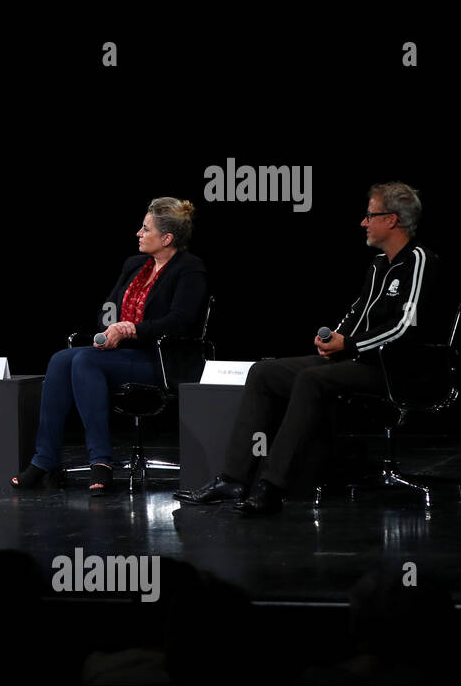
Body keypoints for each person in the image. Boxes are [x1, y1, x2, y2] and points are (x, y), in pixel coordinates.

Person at [177, 182, 444, 515]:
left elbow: (405, 328)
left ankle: (272, 486)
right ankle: (232, 478)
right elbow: (357, 312)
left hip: (398, 370)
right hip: (362, 361)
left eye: (370, 215)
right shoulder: (378, 265)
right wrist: (335, 337)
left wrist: (349, 344)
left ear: (391, 220)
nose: (363, 222)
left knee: (311, 380)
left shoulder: (420, 261)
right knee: (264, 372)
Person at [12, 198, 209, 495]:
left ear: (167, 238)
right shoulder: (134, 265)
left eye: (145, 229)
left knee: (84, 362)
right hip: (124, 353)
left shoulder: (190, 269)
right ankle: (45, 460)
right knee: (60, 360)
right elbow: (107, 309)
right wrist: (111, 327)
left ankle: (101, 462)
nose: (138, 234)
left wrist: (132, 328)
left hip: (163, 360)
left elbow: (180, 322)